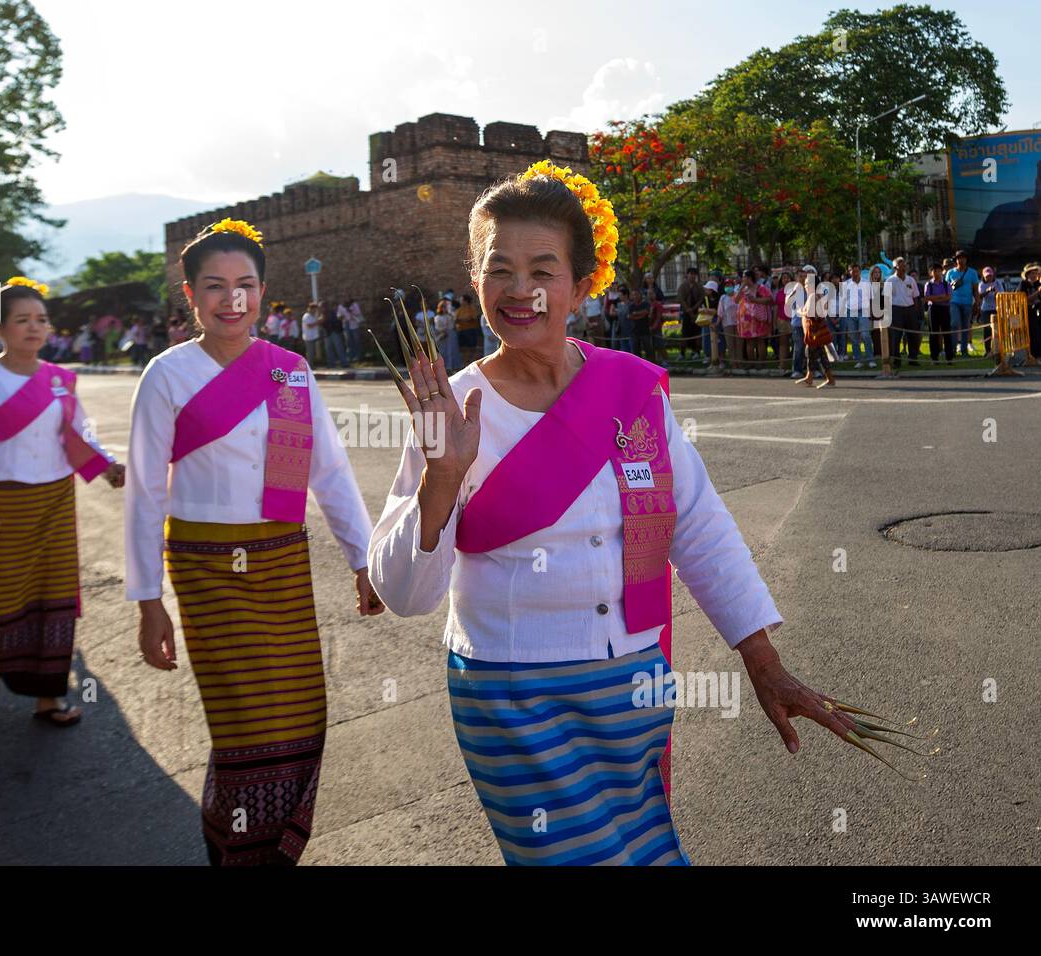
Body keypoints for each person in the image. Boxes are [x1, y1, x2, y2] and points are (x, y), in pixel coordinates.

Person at [367, 162, 856, 866]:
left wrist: (763, 660)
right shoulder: (454, 407)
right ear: (475, 280)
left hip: (635, 686)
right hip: (514, 701)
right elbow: (406, 596)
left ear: (580, 283)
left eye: (544, 269)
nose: (520, 290)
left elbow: (699, 527)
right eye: (498, 269)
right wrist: (442, 477)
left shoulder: (631, 390)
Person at [126, 219, 382, 865]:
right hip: (206, 567)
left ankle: (270, 849)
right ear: (190, 294)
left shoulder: (290, 371)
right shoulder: (167, 375)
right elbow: (146, 490)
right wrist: (147, 599)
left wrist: (363, 559)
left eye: (244, 285)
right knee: (242, 726)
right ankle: (238, 851)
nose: (231, 299)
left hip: (280, 561)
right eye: (215, 286)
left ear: (263, 292)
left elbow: (328, 470)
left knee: (300, 718)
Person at [0, 277, 125, 726]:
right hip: (0, 506)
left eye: (41, 320)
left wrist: (107, 465)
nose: (34, 328)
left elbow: (81, 433)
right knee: (0, 598)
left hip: (54, 503)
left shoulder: (60, 380)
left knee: (53, 598)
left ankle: (49, 697)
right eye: (22, 320)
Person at [796, 280, 836, 389]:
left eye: (807, 284)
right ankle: (814, 377)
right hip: (817, 331)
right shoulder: (819, 296)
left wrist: (800, 312)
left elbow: (811, 314)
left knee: (814, 354)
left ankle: (826, 379)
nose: (805, 286)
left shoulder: (813, 296)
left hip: (814, 332)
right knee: (818, 354)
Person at [884, 258, 920, 375]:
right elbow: (886, 299)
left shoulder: (911, 280)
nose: (904, 267)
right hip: (896, 309)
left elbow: (915, 296)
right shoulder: (890, 280)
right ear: (895, 268)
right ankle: (896, 359)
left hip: (910, 309)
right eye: (901, 265)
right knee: (896, 336)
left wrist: (916, 310)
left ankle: (913, 358)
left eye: (905, 265)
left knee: (913, 335)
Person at [840, 264, 876, 369]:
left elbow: (871, 299)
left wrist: (871, 312)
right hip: (850, 312)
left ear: (860, 271)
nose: (855, 273)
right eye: (852, 271)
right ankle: (859, 359)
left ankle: (870, 359)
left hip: (863, 311)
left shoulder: (866, 283)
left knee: (865, 335)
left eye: (857, 271)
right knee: (853, 337)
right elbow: (843, 301)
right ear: (849, 272)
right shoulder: (845, 284)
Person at [945, 250, 979, 358]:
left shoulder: (972, 272)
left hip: (967, 303)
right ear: (956, 260)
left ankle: (964, 350)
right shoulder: (950, 273)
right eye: (959, 258)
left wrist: (977, 303)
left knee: (965, 327)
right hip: (953, 302)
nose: (961, 260)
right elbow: (945, 289)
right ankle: (953, 349)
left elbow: (975, 290)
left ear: (966, 259)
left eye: (963, 258)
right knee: (954, 324)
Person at [923, 263, 953, 365]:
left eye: (939, 271)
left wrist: (935, 297)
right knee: (933, 334)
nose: (937, 273)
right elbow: (927, 298)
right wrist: (941, 297)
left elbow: (948, 297)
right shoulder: (928, 284)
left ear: (942, 272)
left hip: (945, 309)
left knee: (947, 333)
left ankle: (949, 358)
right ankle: (934, 358)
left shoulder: (946, 284)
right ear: (931, 273)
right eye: (934, 271)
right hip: (933, 310)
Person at [676, 266, 703, 361]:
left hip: (697, 313)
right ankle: (682, 353)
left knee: (697, 333)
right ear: (687, 275)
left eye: (694, 274)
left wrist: (694, 309)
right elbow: (680, 299)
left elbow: (701, 299)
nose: (692, 276)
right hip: (686, 313)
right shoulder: (682, 286)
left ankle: (697, 352)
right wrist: (688, 309)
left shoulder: (699, 286)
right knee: (685, 334)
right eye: (690, 274)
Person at [978, 266, 1004, 358]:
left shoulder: (998, 283)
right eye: (987, 276)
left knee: (998, 330)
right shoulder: (981, 284)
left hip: (997, 309)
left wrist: (996, 292)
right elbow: (980, 295)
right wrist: (987, 291)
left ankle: (998, 350)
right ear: (984, 276)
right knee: (987, 330)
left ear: (993, 275)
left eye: (990, 276)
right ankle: (988, 350)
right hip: (986, 310)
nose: (989, 278)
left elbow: (1002, 295)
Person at [433, 298, 463, 372]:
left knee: (452, 350)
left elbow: (453, 325)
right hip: (442, 335)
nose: (444, 308)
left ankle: (452, 366)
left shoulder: (450, 316)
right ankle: (445, 367)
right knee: (443, 351)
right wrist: (443, 330)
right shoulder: (437, 317)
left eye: (445, 307)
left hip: (451, 334)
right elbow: (437, 327)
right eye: (443, 307)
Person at [1020, 262, 1041, 367]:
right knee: (1032, 334)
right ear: (1027, 274)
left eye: (1036, 273)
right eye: (1032, 273)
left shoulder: (1038, 284)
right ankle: (1031, 356)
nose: (1035, 275)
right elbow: (1024, 300)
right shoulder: (1023, 285)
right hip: (1026, 312)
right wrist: (1037, 292)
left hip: (1037, 311)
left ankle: (1037, 356)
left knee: (1038, 333)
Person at [455, 293, 481, 360]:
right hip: (461, 330)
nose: (460, 300)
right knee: (463, 348)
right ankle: (465, 361)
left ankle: (472, 360)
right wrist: (463, 320)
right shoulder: (459, 309)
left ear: (465, 301)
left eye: (461, 299)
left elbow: (473, 318)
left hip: (470, 330)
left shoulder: (471, 308)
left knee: (472, 347)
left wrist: (464, 320)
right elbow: (456, 319)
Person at [342, 298, 364, 364]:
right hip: (347, 324)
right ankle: (350, 357)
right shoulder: (342, 306)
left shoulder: (354, 305)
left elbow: (358, 313)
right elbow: (339, 315)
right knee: (348, 342)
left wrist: (351, 311)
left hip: (354, 324)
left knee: (356, 341)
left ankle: (357, 356)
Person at [301, 301, 322, 366]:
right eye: (314, 309)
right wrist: (318, 322)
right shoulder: (306, 316)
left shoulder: (313, 316)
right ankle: (309, 366)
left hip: (313, 336)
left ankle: (311, 365)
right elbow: (309, 326)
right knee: (310, 352)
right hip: (308, 337)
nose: (315, 310)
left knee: (312, 352)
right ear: (311, 308)